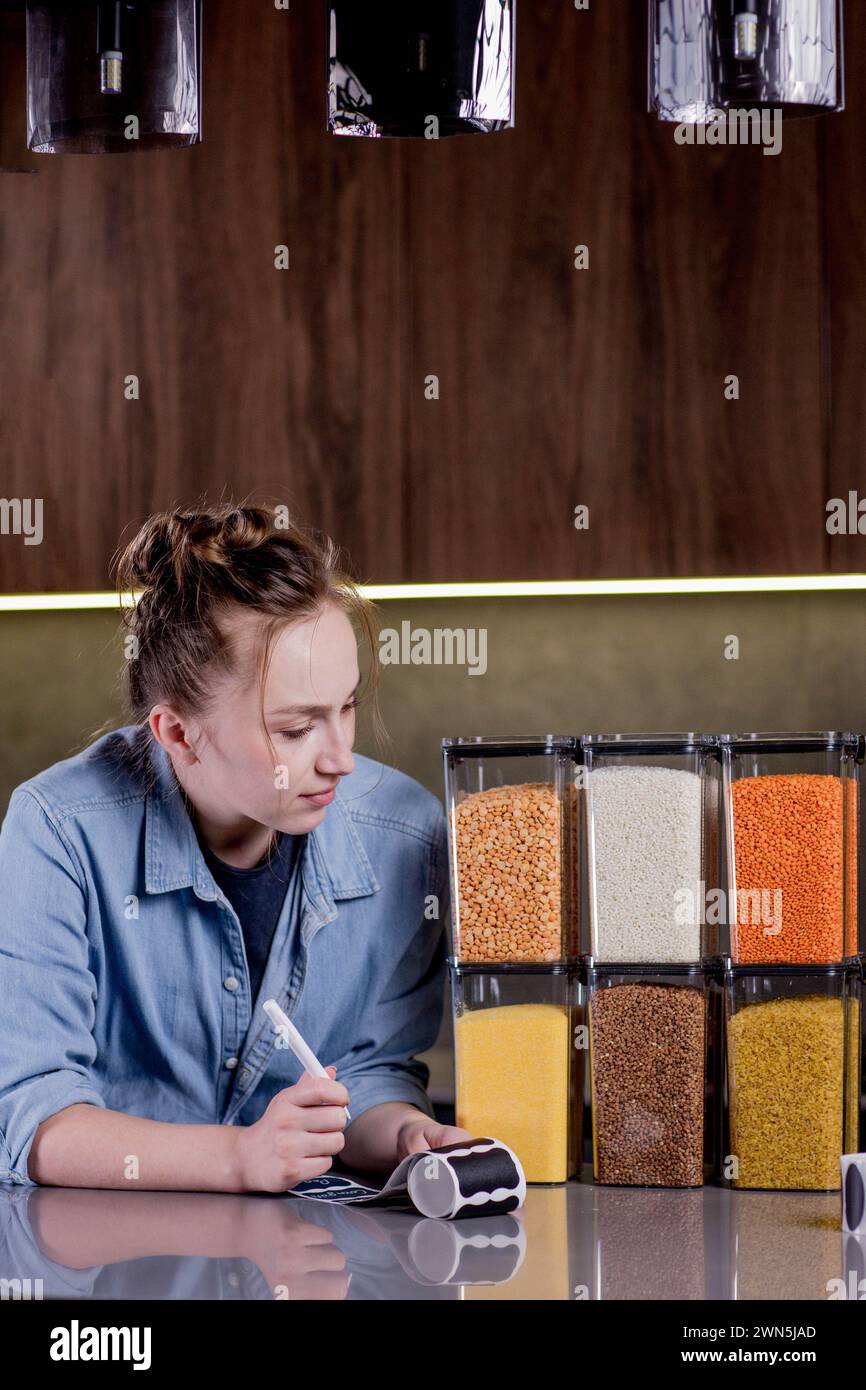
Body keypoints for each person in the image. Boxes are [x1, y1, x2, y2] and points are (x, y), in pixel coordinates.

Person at [0, 503, 470, 1192]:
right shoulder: (57, 832)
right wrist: (240, 1157)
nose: (342, 757)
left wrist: (402, 1133)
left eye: (347, 707)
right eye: (295, 728)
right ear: (179, 734)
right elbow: (32, 1120)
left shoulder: (406, 832)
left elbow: (371, 1075)